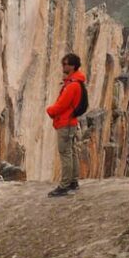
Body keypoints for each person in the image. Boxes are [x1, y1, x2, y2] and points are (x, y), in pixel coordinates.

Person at [45, 53, 85, 197]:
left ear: (73, 66)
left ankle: (65, 185)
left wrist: (49, 110)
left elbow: (61, 105)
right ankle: (73, 181)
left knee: (65, 153)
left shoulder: (73, 85)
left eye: (66, 64)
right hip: (70, 123)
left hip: (65, 123)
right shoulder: (74, 82)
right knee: (71, 152)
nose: (63, 66)